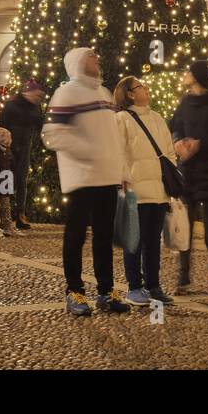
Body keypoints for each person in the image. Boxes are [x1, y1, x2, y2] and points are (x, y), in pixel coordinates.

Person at [41, 47, 130, 317]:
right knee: (76, 236)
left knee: (104, 237)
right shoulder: (67, 92)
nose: (98, 57)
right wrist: (89, 152)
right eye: (92, 55)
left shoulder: (103, 94)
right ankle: (75, 291)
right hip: (81, 178)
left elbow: (113, 137)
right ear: (79, 62)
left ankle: (106, 291)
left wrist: (121, 169)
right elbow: (53, 133)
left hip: (107, 177)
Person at [169, 61, 208, 299]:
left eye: (188, 71)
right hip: (187, 173)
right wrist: (178, 142)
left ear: (197, 76)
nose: (185, 74)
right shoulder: (185, 102)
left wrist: (200, 144)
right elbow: (175, 125)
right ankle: (183, 277)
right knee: (184, 230)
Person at [113, 75, 174, 306]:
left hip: (157, 189)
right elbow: (117, 153)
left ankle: (153, 285)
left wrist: (168, 181)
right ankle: (134, 287)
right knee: (134, 242)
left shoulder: (157, 118)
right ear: (130, 93)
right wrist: (123, 180)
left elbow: (168, 152)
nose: (146, 88)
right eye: (140, 86)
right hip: (134, 190)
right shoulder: (121, 119)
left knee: (152, 241)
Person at [0, 79, 45, 231]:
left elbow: (40, 125)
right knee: (7, 179)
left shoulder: (35, 107)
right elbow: (2, 125)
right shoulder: (12, 105)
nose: (38, 98)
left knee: (22, 181)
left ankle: (20, 215)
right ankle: (4, 215)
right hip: (9, 146)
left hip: (25, 146)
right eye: (36, 94)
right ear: (28, 92)